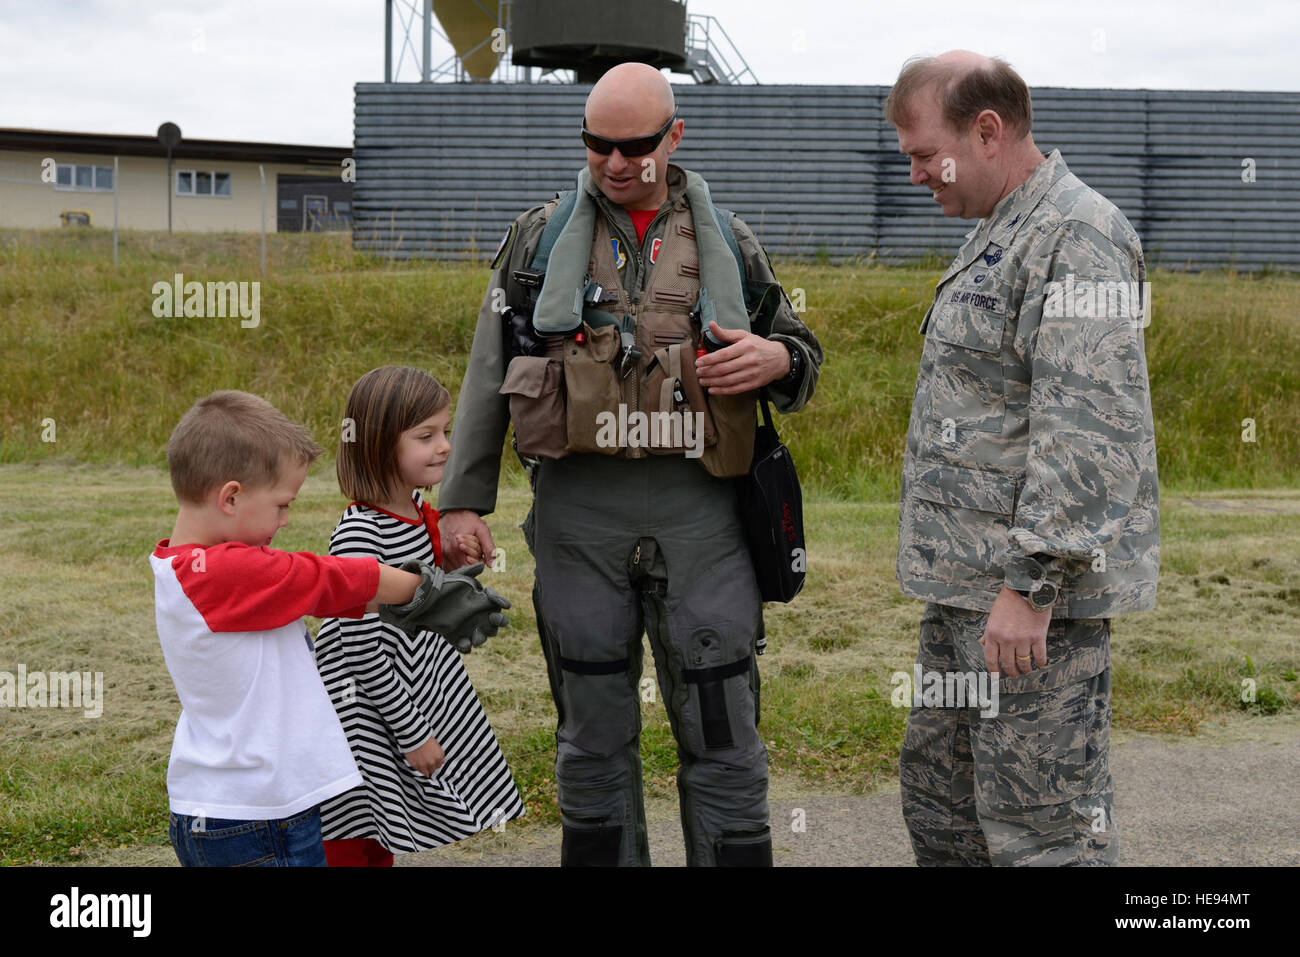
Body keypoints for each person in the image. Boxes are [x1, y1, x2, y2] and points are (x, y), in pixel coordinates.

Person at [437, 62, 823, 866]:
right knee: (591, 734)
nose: (614, 164)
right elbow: (485, 374)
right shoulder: (538, 242)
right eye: (597, 145)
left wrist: (776, 361)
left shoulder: (729, 243)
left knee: (723, 729)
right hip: (579, 516)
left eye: (635, 146)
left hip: (704, 516)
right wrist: (463, 501)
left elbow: (802, 355)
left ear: (674, 137)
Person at [885, 52, 1159, 865]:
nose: (914, 176)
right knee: (946, 812)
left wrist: (1031, 585)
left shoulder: (1076, 236)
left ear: (988, 131)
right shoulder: (999, 229)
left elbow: (1089, 431)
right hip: (964, 593)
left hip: (1029, 611)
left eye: (921, 153)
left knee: (1044, 834)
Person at [314, 366, 524, 867]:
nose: (445, 446)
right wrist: (413, 733)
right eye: (426, 436)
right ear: (378, 445)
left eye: (446, 431)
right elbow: (358, 648)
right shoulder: (360, 537)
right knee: (352, 831)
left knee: (384, 829)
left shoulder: (413, 511)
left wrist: (450, 571)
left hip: (405, 695)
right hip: (365, 714)